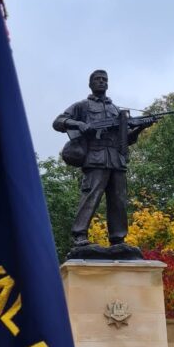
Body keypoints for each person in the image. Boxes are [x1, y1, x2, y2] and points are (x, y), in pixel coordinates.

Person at [52, 70, 142, 247]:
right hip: (95, 158)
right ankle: (79, 235)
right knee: (91, 196)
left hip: (116, 160)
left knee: (119, 200)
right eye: (97, 79)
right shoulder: (82, 106)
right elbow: (58, 122)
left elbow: (126, 140)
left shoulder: (116, 110)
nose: (101, 82)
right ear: (90, 84)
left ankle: (118, 238)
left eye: (104, 80)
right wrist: (79, 124)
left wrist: (140, 129)